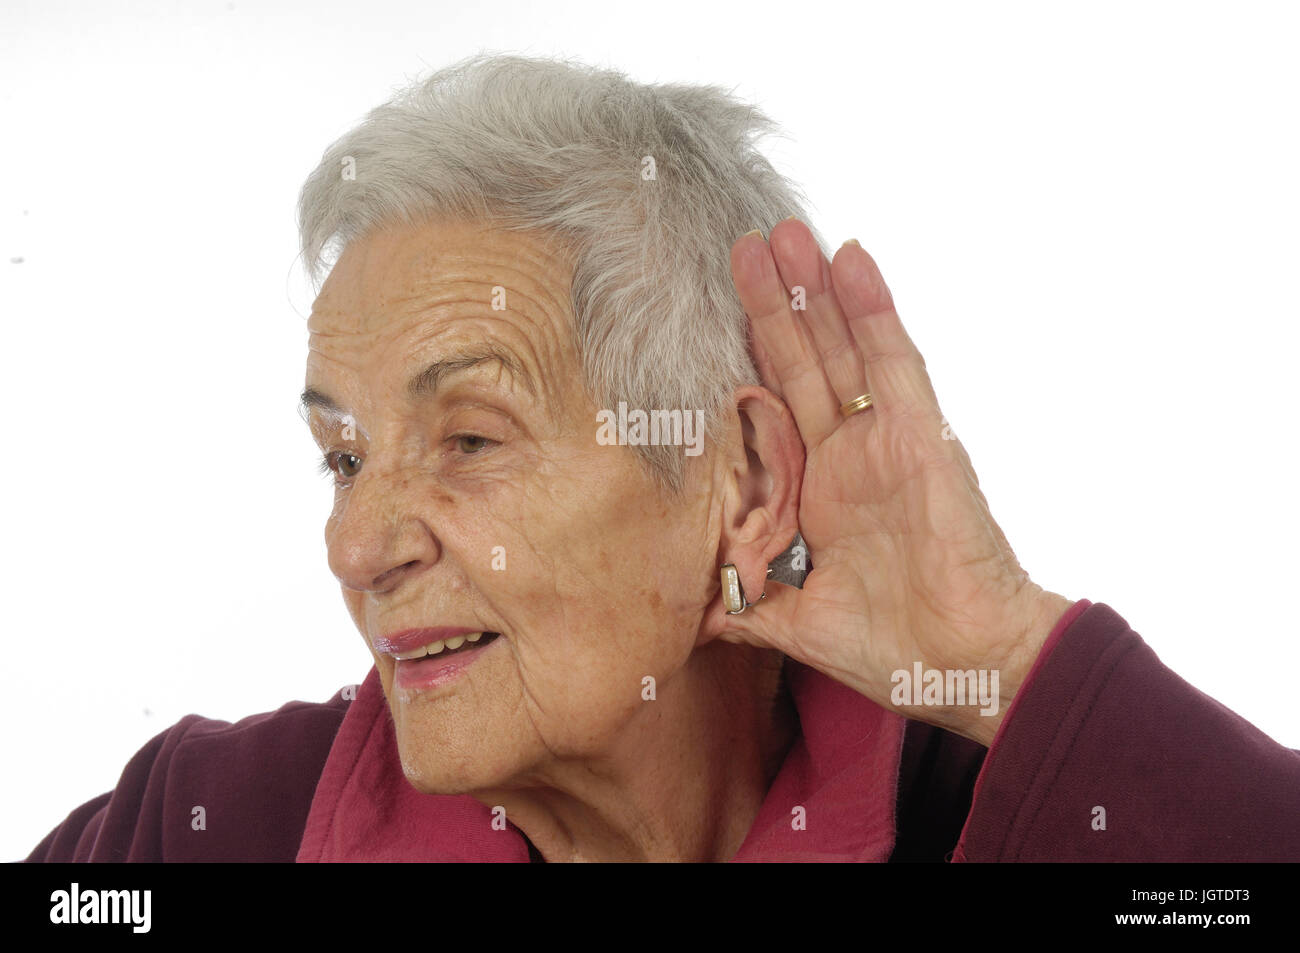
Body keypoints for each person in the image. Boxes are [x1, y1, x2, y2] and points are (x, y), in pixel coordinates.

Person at [26, 53, 1300, 863]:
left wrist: (1007, 658)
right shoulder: (211, 825)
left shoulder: (1002, 818)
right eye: (345, 459)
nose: (358, 548)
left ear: (738, 480)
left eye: (467, 438)